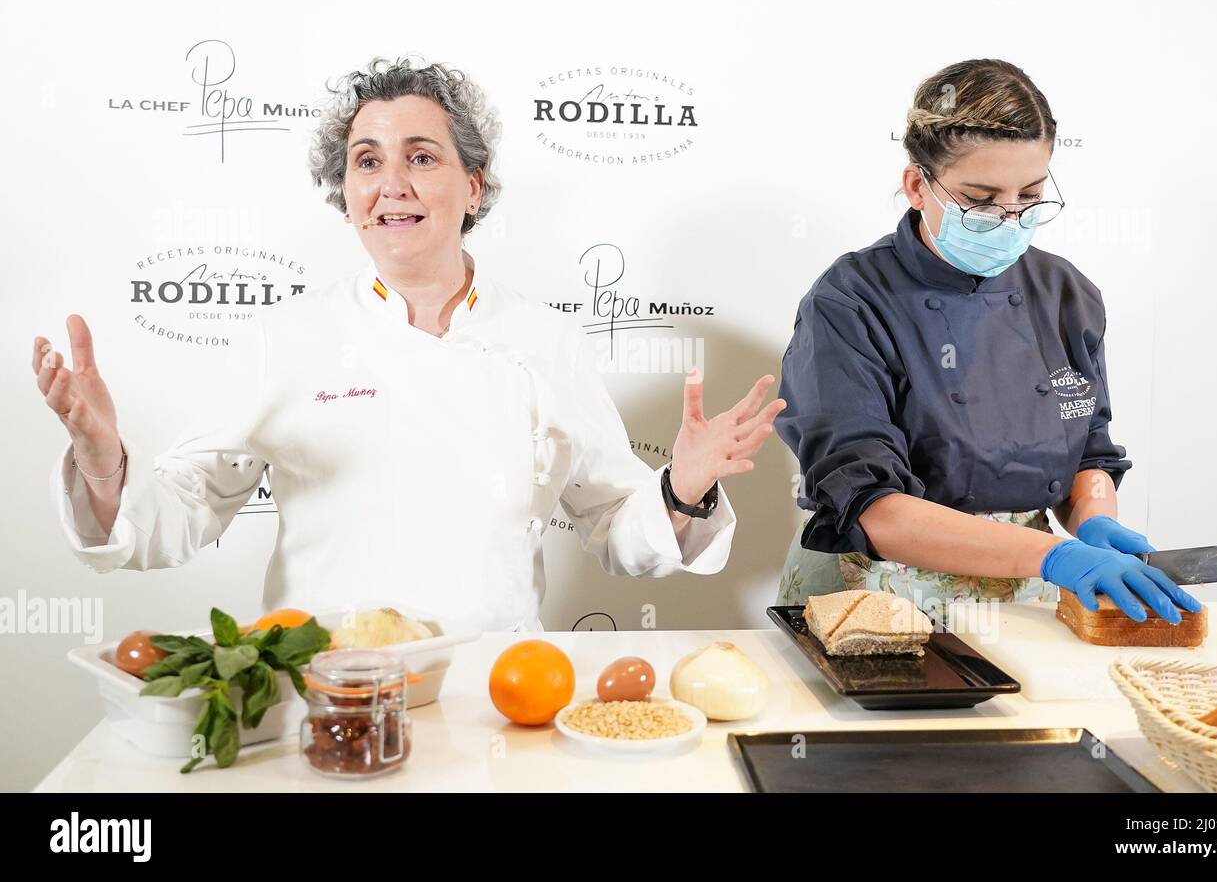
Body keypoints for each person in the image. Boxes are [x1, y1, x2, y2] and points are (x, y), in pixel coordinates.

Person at [35, 56, 786, 632]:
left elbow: (623, 535)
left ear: (475, 185)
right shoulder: (288, 336)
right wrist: (106, 467)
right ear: (347, 194)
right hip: (325, 697)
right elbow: (177, 518)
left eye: (421, 157)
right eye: (367, 161)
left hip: (494, 695)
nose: (390, 183)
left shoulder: (544, 338)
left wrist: (682, 487)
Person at [774, 58, 1200, 627]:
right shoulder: (850, 301)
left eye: (1030, 194)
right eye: (980, 198)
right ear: (917, 185)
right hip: (876, 600)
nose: (1009, 217)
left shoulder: (1063, 292)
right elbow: (872, 508)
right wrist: (1057, 554)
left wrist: (1092, 517)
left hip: (1027, 595)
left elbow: (1088, 447)